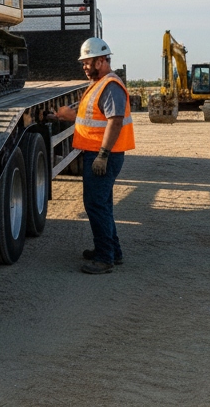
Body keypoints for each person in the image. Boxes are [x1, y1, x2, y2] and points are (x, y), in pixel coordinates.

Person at [51, 37, 135, 274]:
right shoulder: (99, 83)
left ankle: (104, 258)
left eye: (88, 62)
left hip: (103, 156)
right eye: (84, 63)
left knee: (96, 205)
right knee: (103, 205)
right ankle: (112, 251)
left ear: (101, 61)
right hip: (99, 153)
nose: (84, 67)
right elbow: (91, 115)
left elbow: (115, 121)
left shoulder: (110, 85)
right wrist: (63, 116)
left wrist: (102, 155)